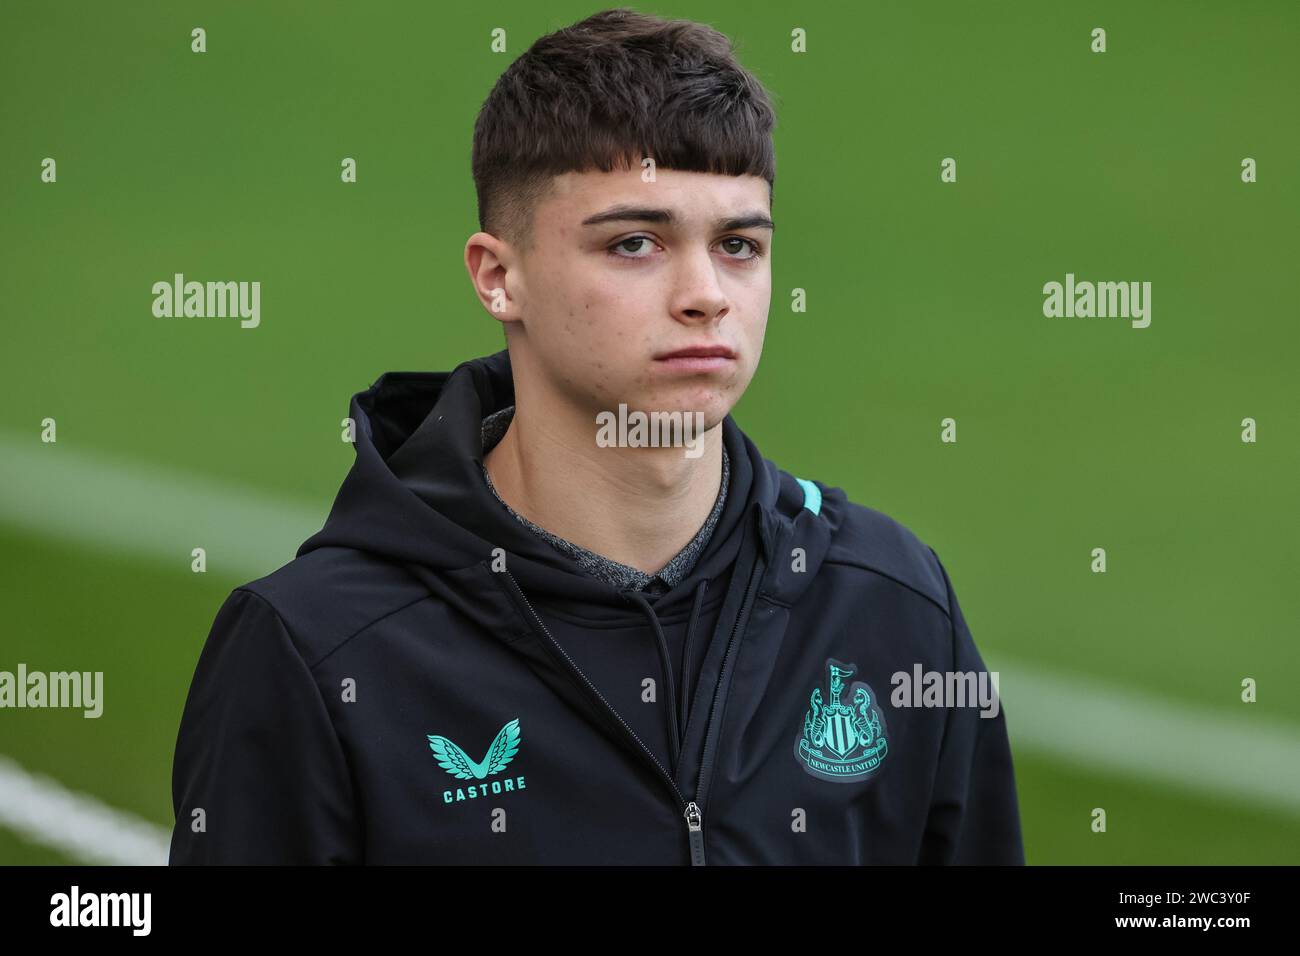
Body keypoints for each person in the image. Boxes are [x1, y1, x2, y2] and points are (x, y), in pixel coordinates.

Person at [168, 7, 1024, 865]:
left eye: (738, 245)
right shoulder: (316, 648)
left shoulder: (890, 600)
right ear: (499, 277)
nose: (706, 295)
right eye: (636, 243)